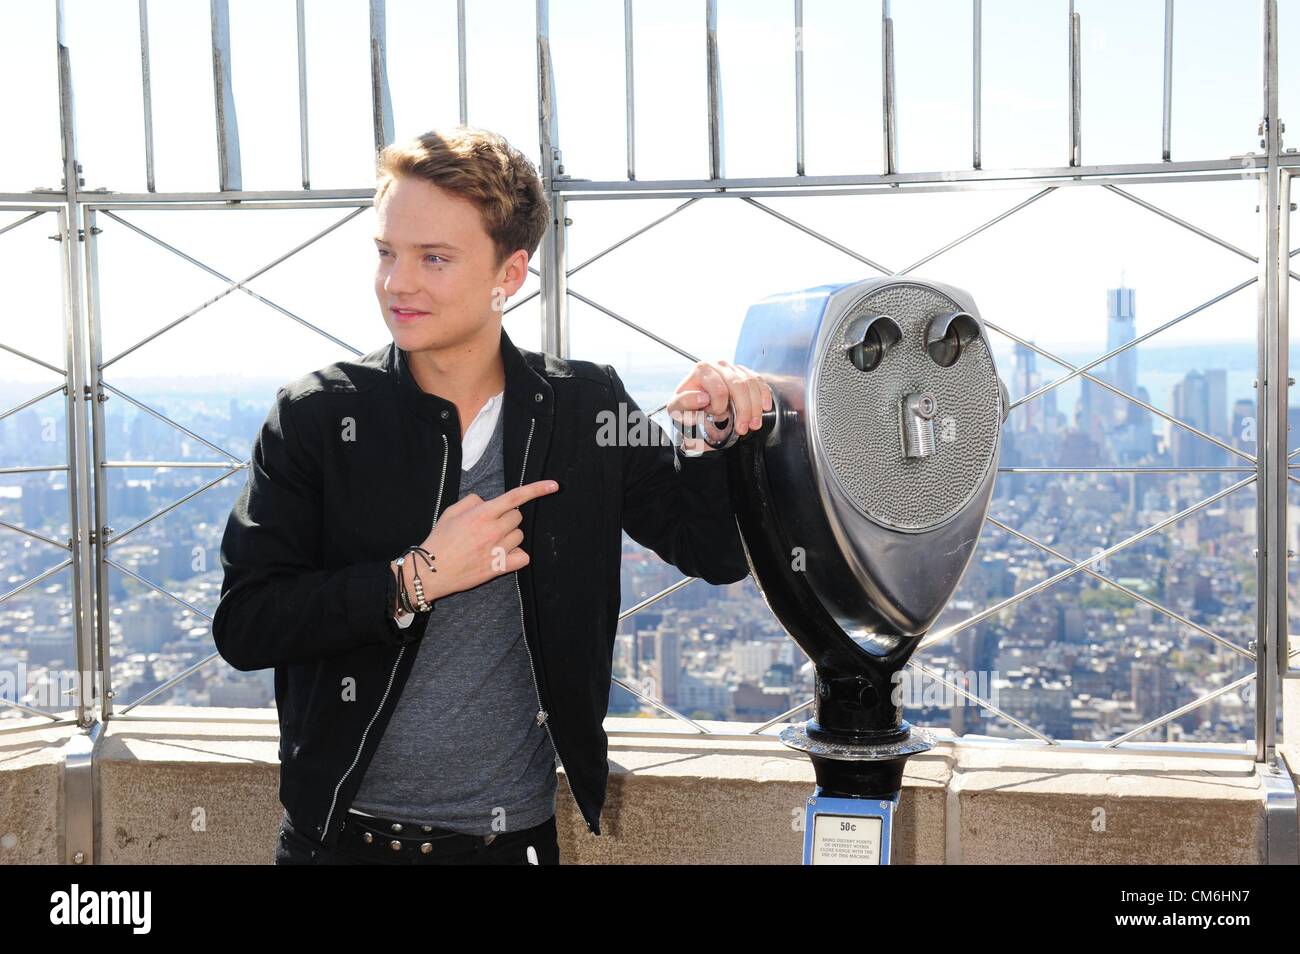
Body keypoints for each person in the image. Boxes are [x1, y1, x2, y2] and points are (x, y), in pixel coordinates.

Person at [212, 126, 773, 865]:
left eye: (433, 258)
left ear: (510, 274)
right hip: (340, 843)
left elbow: (714, 553)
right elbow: (246, 625)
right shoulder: (316, 417)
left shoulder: (586, 407)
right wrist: (414, 580)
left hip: (512, 843)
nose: (396, 283)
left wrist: (707, 433)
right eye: (386, 252)